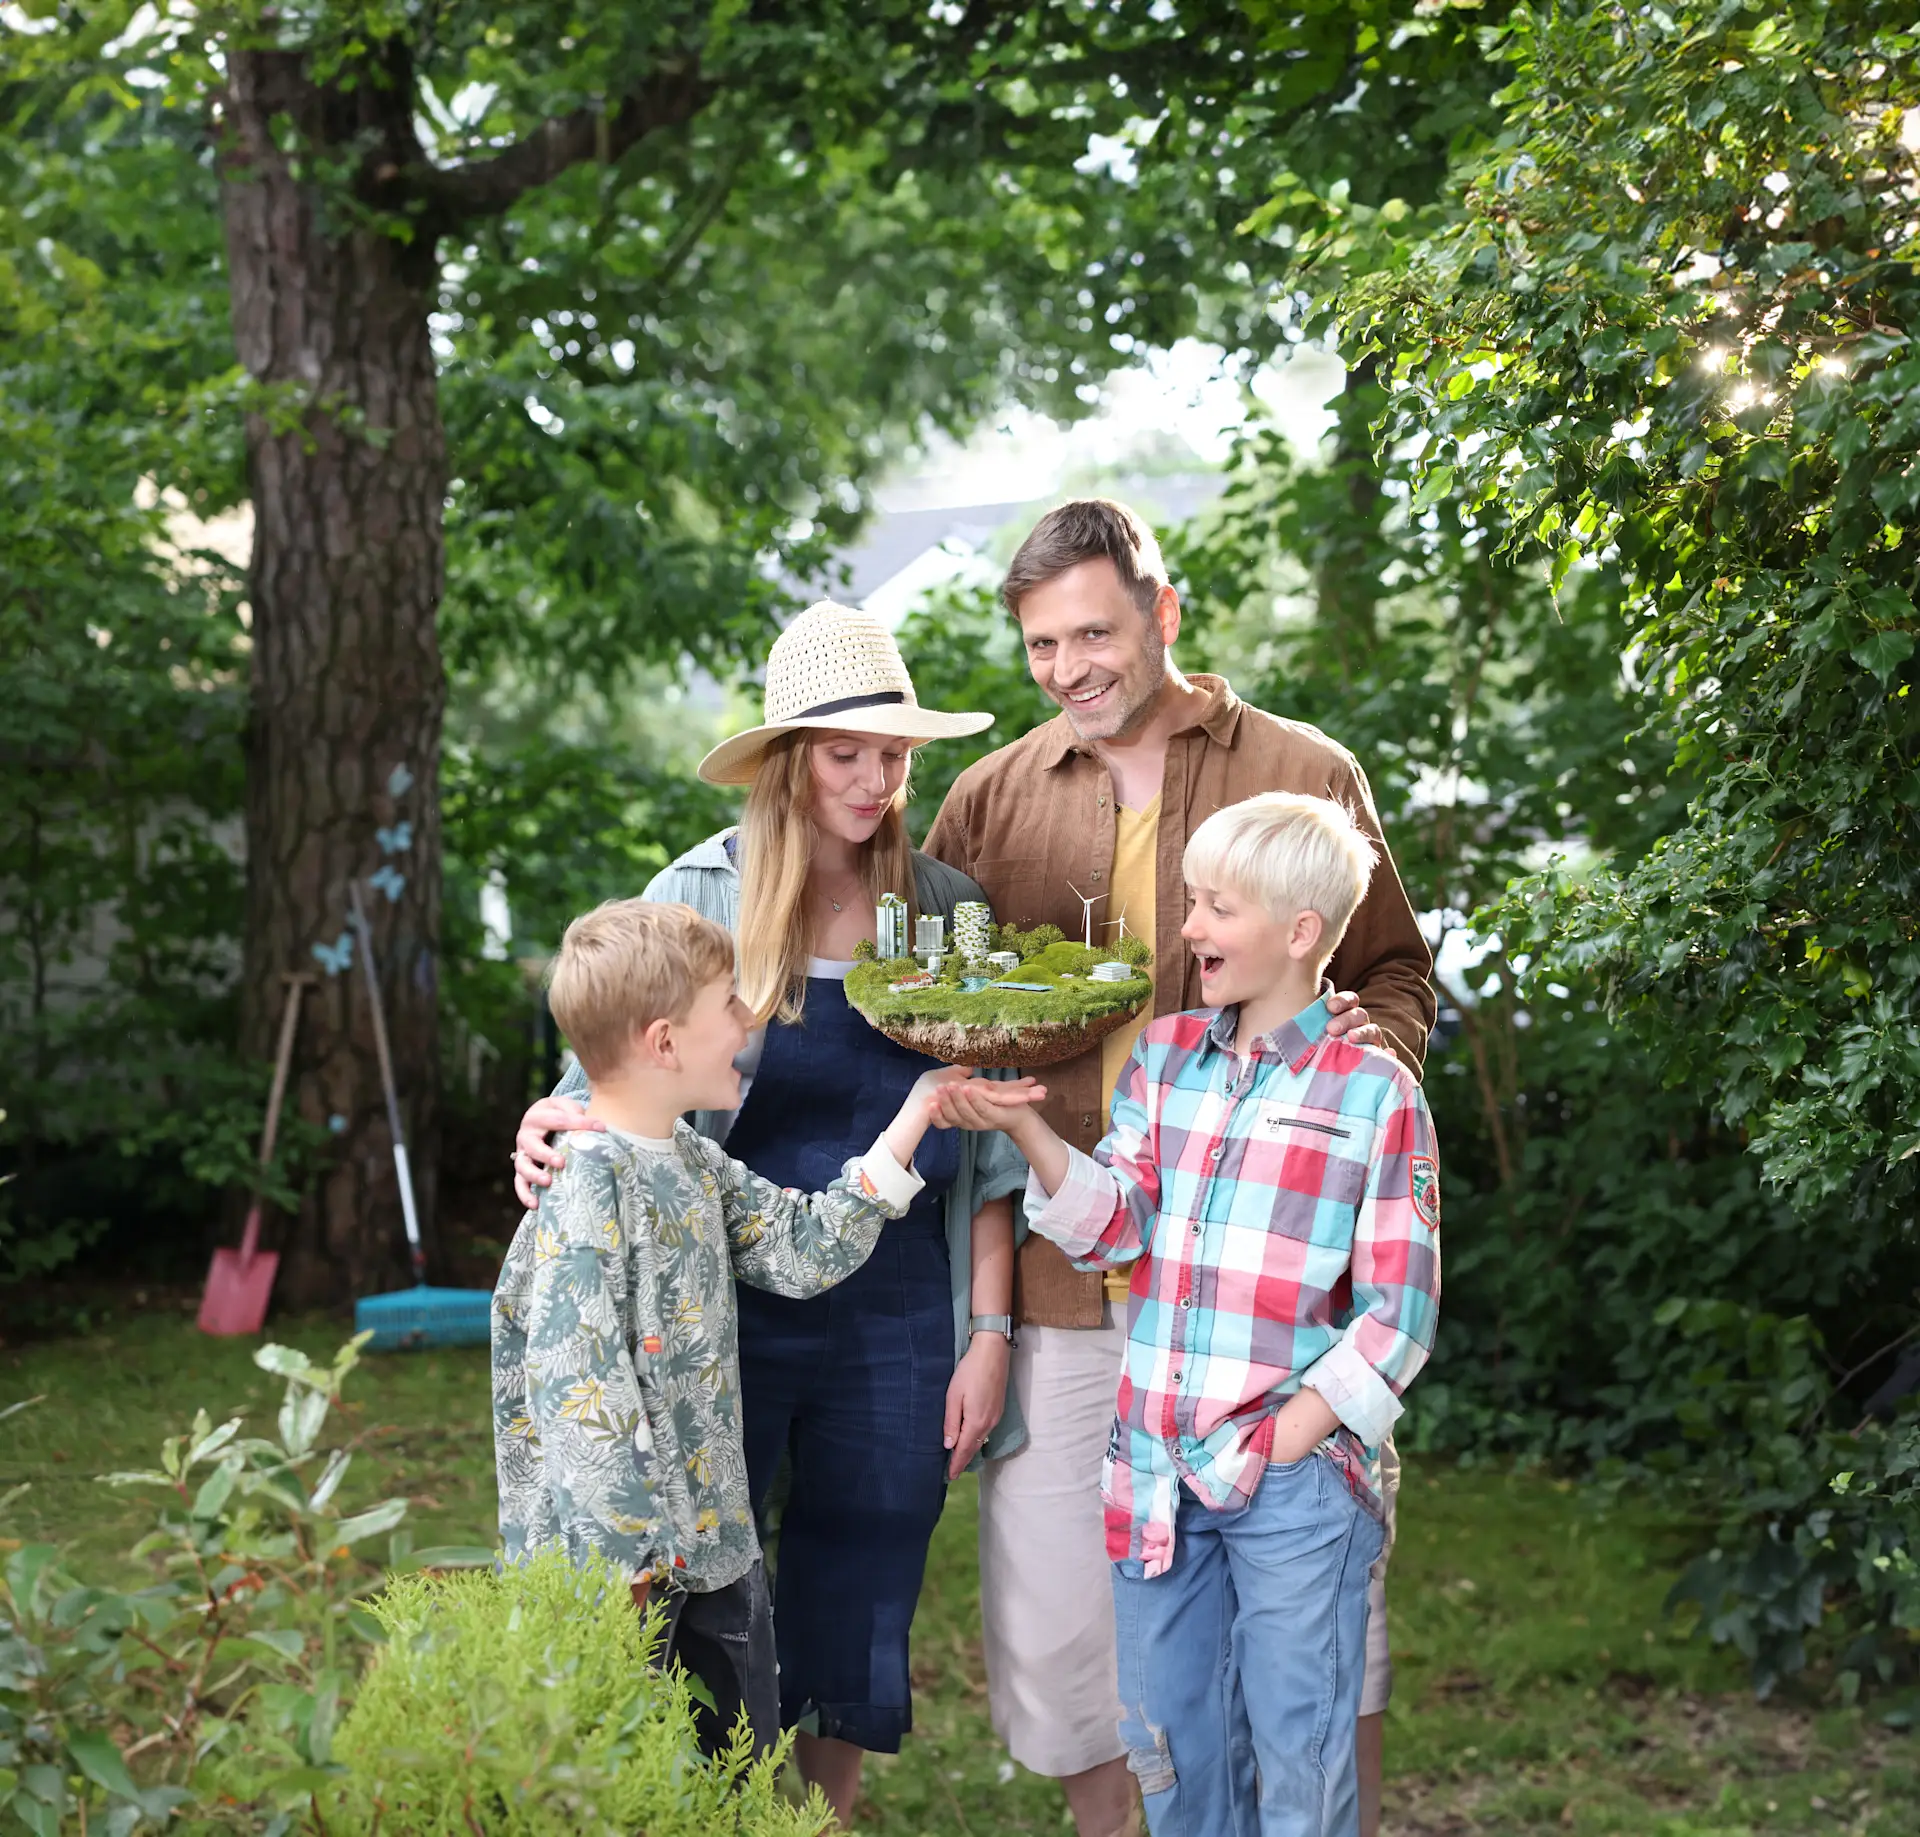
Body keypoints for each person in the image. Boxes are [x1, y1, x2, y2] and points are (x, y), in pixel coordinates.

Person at [923, 499, 1435, 1837]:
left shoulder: (1300, 768)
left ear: (1164, 611)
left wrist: (1316, 1118)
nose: (1070, 666)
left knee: (1316, 1640)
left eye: (1094, 630)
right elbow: (901, 982)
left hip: (1272, 1310)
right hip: (1067, 1277)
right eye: (1041, 644)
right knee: (1077, 1645)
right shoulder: (992, 796)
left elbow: (1389, 975)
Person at [510, 602, 1031, 1825]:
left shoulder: (945, 904)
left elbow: (988, 1151)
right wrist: (547, 1117)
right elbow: (617, 1062)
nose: (874, 779)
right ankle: (704, 1808)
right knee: (702, 1593)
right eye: (845, 753)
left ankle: (821, 1818)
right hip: (720, 1299)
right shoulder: (701, 887)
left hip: (901, 1300)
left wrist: (990, 1333)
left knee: (860, 1579)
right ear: (792, 754)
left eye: (895, 754)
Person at [493, 900, 1011, 1755]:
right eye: (730, 1004)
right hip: (623, 1579)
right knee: (632, 1778)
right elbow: (578, 1392)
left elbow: (803, 1249)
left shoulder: (691, 1160)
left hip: (716, 1551)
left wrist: (917, 1113)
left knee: (728, 1767)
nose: (753, 1015)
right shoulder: (589, 1186)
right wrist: (629, 1572)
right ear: (664, 1042)